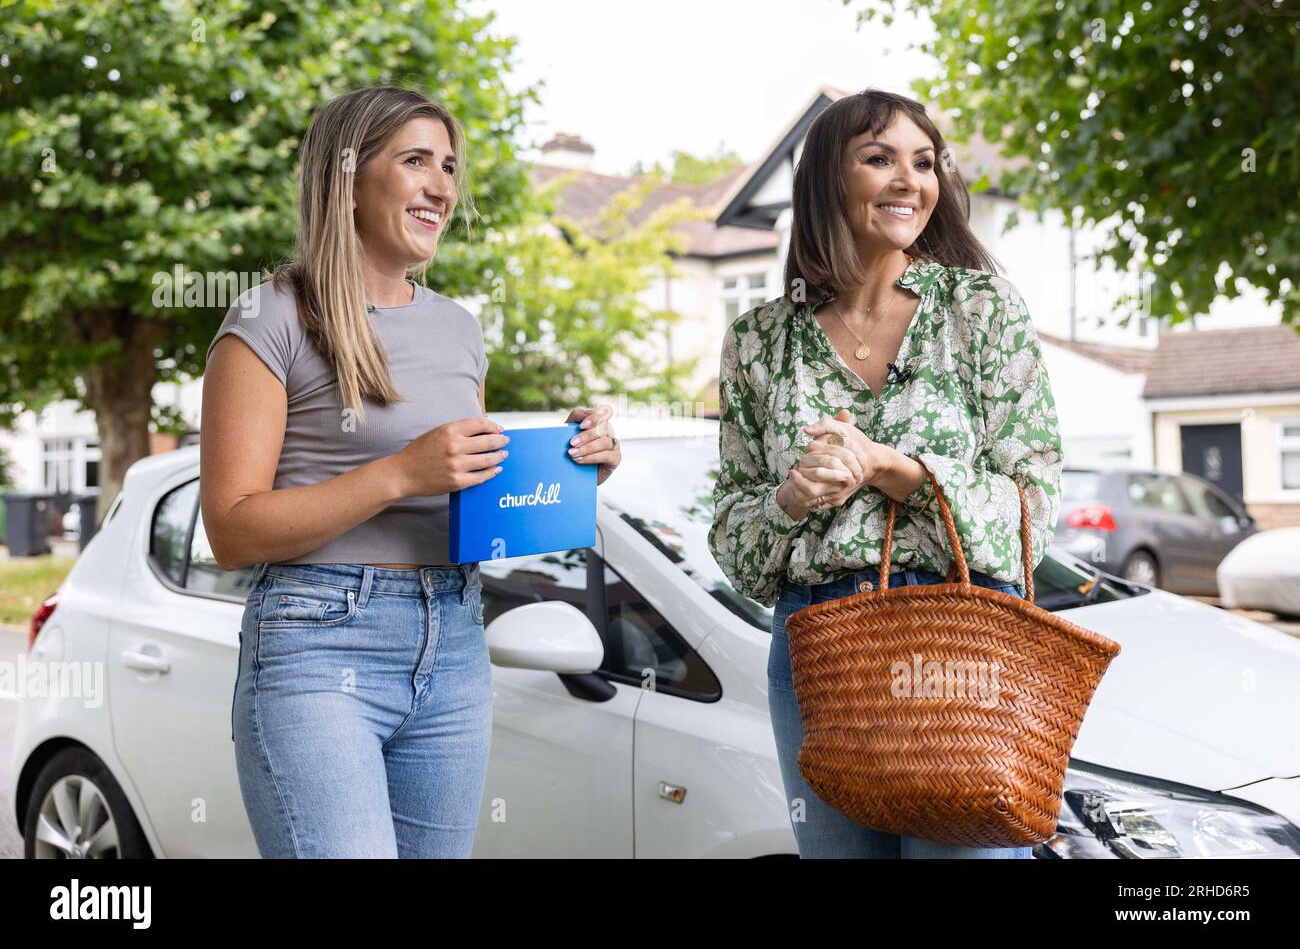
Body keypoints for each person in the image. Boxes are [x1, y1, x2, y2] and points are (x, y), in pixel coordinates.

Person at [200, 86, 621, 858]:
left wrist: (576, 465)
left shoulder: (459, 327)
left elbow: (472, 505)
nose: (442, 187)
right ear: (348, 177)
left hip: (456, 638)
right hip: (318, 642)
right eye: (416, 161)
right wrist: (398, 474)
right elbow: (230, 529)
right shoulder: (271, 317)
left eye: (450, 167)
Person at [708, 89, 1063, 859]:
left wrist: (898, 471)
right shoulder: (760, 342)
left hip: (956, 635)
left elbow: (1034, 510)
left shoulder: (981, 311)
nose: (910, 181)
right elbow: (736, 546)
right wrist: (791, 498)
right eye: (879, 159)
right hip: (816, 646)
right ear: (828, 182)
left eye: (924, 162)